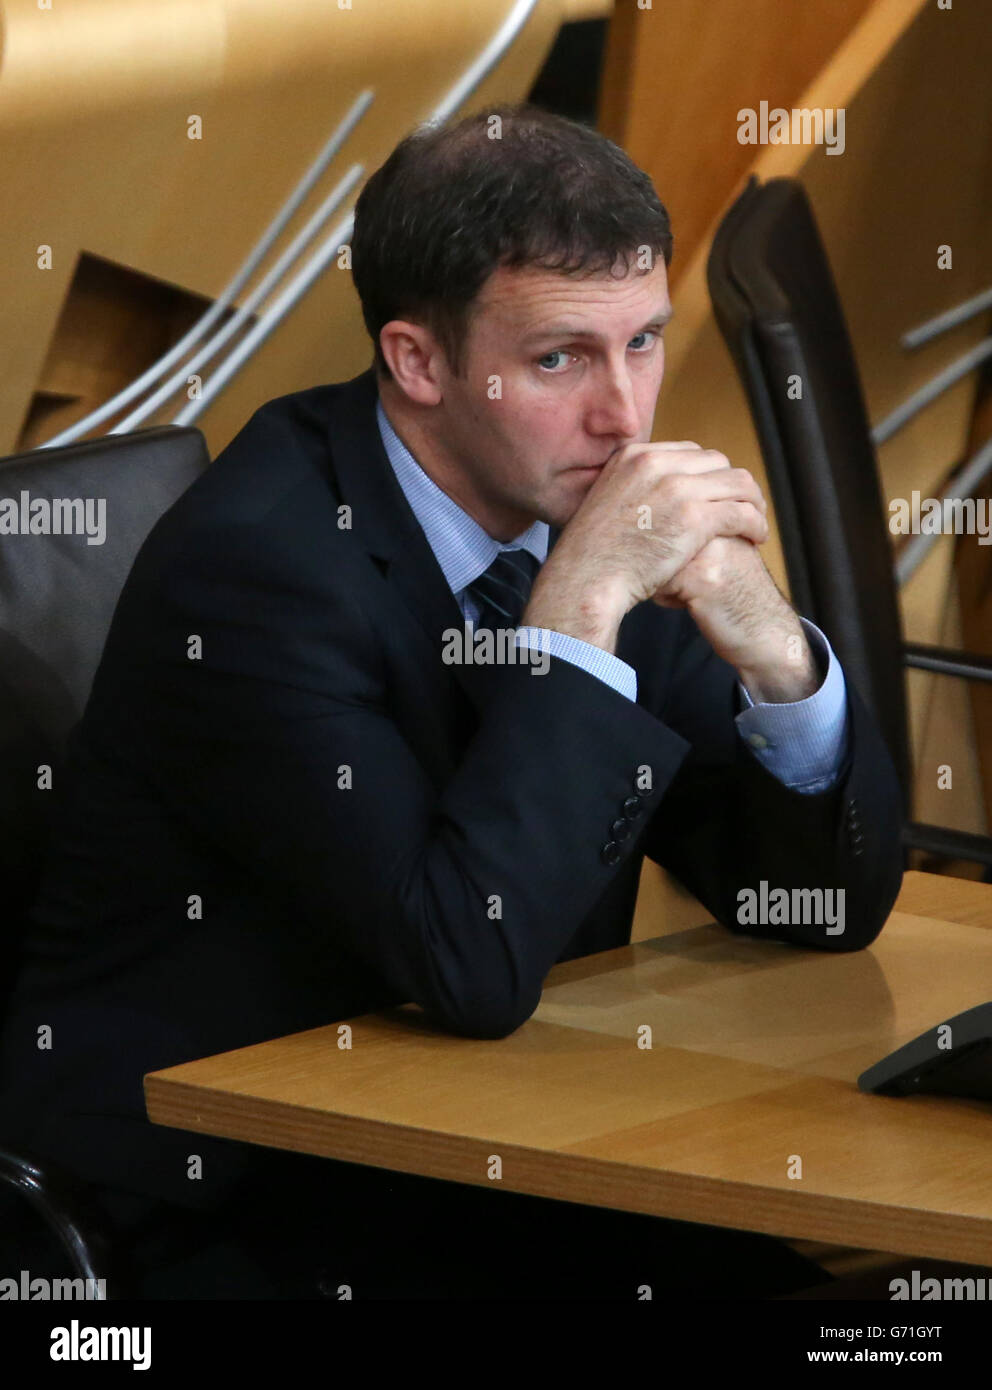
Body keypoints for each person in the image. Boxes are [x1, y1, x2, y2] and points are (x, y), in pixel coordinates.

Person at [0, 103, 904, 1299]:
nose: (624, 418)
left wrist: (772, 652)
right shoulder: (259, 568)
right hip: (223, 1208)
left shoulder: (572, 493)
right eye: (557, 358)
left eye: (641, 342)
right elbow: (463, 959)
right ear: (417, 360)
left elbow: (817, 902)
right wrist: (576, 614)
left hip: (497, 1150)